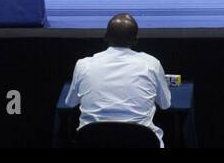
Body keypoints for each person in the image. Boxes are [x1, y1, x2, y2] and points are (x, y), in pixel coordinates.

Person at [63, 13, 171, 146]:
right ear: (136, 39)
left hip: (92, 142)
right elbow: (165, 105)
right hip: (140, 142)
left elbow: (70, 103)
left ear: (106, 37)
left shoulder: (83, 65)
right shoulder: (151, 64)